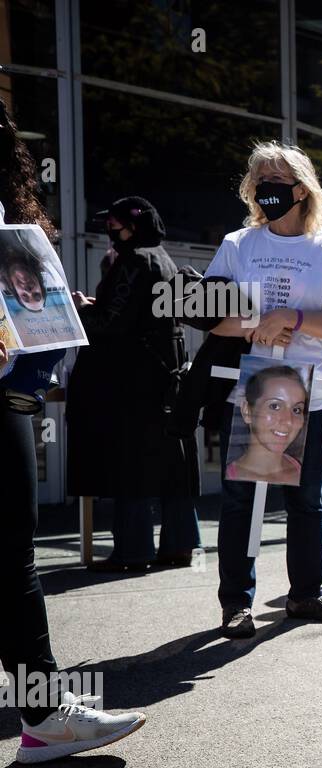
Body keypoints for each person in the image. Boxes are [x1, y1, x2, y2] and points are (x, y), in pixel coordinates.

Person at [0, 99, 147, 762]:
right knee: (11, 564)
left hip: (13, 403)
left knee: (10, 564)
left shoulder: (15, 229)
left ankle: (43, 714)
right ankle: (45, 715)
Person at [204, 142, 322, 638]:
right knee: (241, 500)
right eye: (259, 178)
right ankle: (236, 605)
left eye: (277, 177)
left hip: (312, 393)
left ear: (301, 188)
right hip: (252, 389)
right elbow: (210, 316)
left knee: (306, 500)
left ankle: (305, 595)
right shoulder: (238, 245)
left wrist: (291, 318)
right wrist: (255, 323)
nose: (266, 186)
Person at [66, 196, 201, 572]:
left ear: (132, 226)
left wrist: (81, 309)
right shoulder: (161, 258)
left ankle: (133, 549)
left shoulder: (135, 260)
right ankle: (179, 546)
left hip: (132, 379)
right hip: (162, 376)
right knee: (171, 464)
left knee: (131, 464)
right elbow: (138, 313)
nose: (109, 231)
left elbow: (113, 322)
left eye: (114, 224)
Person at [226, 364, 309, 483]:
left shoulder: (302, 473)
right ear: (247, 411)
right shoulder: (232, 481)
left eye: (296, 410)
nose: (288, 421)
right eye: (274, 406)